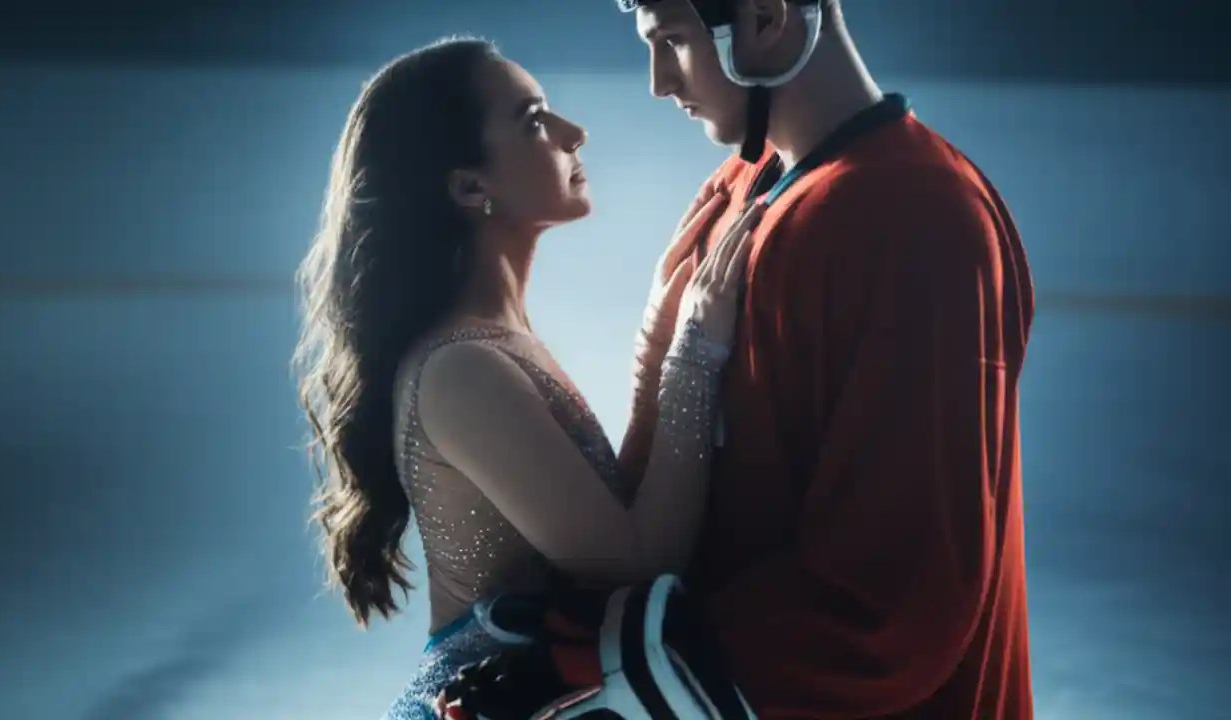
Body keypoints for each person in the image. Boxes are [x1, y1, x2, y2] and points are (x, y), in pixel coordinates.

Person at [442, 0, 1036, 717]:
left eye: (673, 43)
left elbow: (892, 604)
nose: (659, 82)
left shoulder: (920, 217)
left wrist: (598, 668)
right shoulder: (738, 189)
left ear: (764, 17)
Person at [292, 36, 764, 719]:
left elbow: (618, 520)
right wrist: (694, 353)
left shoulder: (496, 343)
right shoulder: (460, 371)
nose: (575, 134)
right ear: (470, 187)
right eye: (535, 120)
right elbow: (637, 563)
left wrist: (661, 339)